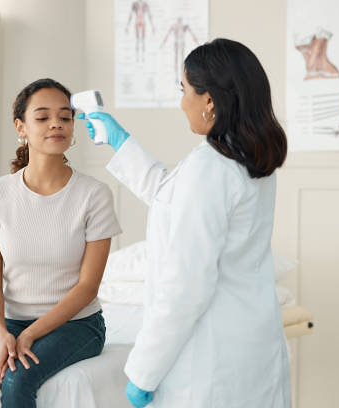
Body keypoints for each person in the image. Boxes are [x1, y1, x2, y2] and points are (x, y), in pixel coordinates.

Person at [78, 38, 291, 407]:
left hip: (212, 365)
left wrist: (143, 371)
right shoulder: (249, 160)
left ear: (209, 100)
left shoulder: (210, 169)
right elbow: (172, 198)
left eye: (184, 90)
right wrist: (120, 141)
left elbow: (185, 288)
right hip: (253, 348)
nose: (182, 103)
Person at [0, 78, 122, 407]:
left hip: (77, 324)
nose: (56, 124)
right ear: (21, 127)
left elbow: (87, 287)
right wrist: (3, 333)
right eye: (43, 117)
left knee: (19, 379)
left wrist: (30, 334)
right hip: (13, 319)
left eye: (65, 116)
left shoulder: (94, 195)